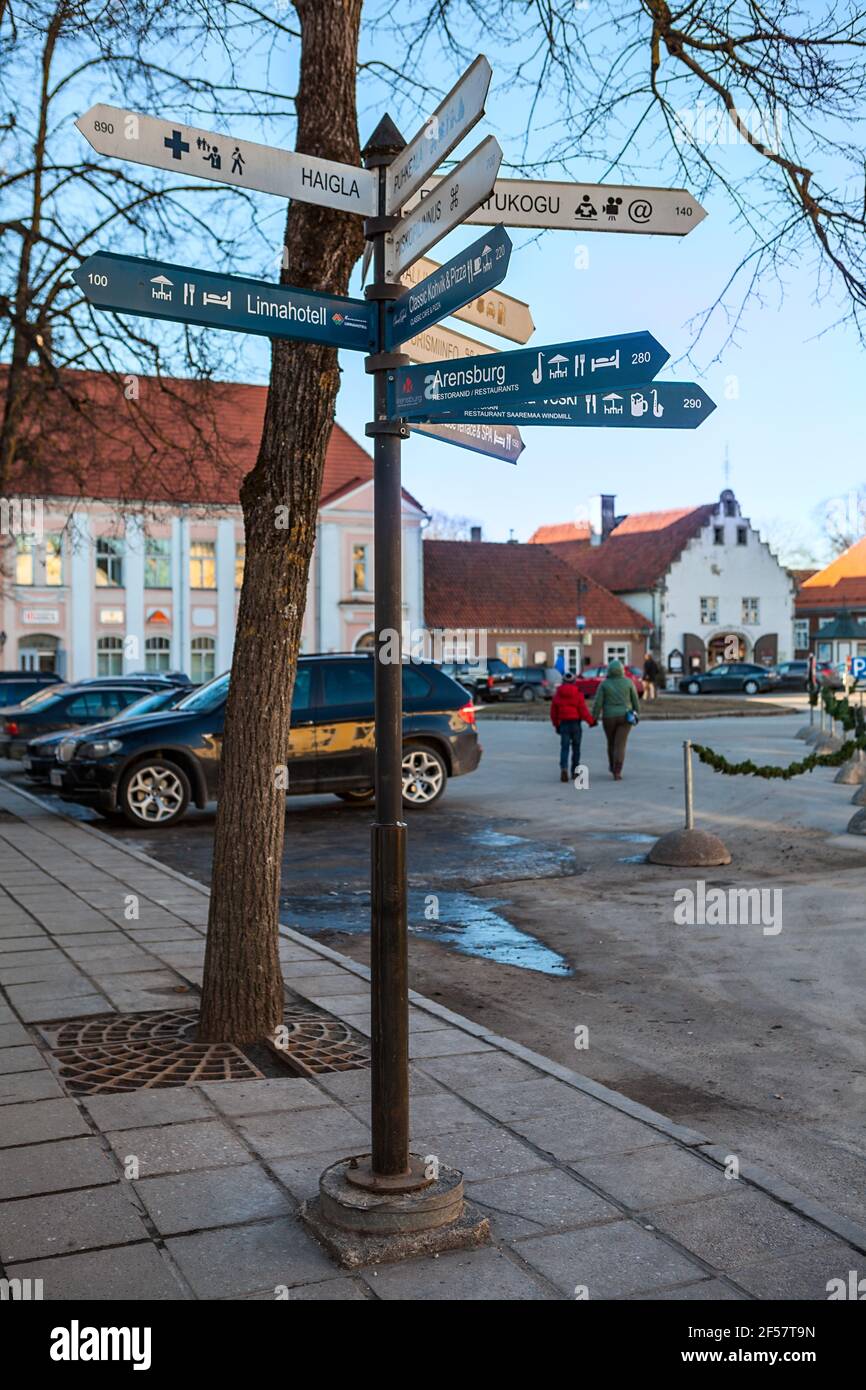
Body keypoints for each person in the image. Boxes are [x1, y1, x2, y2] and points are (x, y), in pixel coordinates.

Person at [592, 659, 640, 780]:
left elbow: (598, 703)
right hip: (625, 717)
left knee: (611, 742)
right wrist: (636, 713)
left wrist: (594, 718)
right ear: (622, 670)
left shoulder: (604, 684)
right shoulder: (629, 683)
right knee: (621, 744)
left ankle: (612, 765)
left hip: (608, 717)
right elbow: (635, 701)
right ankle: (618, 770)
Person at [550, 672, 595, 782]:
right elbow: (583, 710)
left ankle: (564, 768)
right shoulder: (578, 694)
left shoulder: (557, 695)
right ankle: (575, 771)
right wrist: (591, 722)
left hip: (564, 724)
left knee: (564, 747)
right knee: (576, 748)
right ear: (574, 682)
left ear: (563, 681)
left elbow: (553, 713)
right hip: (575, 724)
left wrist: (556, 725)